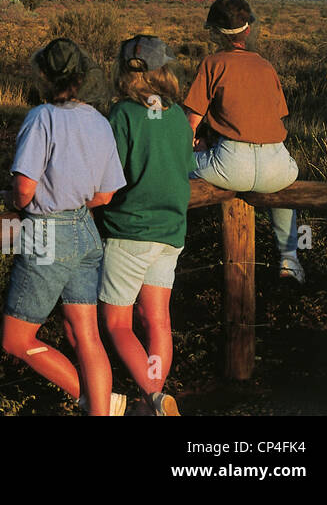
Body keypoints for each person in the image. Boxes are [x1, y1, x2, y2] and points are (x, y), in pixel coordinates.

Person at [1, 37, 127, 416]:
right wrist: (72, 204)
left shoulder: (42, 117)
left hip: (46, 235)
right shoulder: (99, 121)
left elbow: (24, 187)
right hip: (86, 231)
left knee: (16, 340)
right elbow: (105, 196)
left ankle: (91, 401)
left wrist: (16, 203)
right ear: (81, 75)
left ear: (44, 75)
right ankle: (104, 409)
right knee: (87, 336)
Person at [98, 36, 193, 416]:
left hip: (129, 233)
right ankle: (153, 398)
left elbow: (108, 176)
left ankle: (152, 400)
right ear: (163, 70)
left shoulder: (121, 115)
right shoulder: (174, 114)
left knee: (118, 324)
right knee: (158, 322)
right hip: (171, 231)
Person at [183, 0, 303, 282]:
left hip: (231, 165)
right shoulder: (266, 66)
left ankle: (173, 251)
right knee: (283, 192)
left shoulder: (212, 63)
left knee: (177, 165)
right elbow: (275, 117)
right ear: (248, 29)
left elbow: (190, 123)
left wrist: (194, 149)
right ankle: (289, 260)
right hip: (277, 164)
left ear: (215, 32)